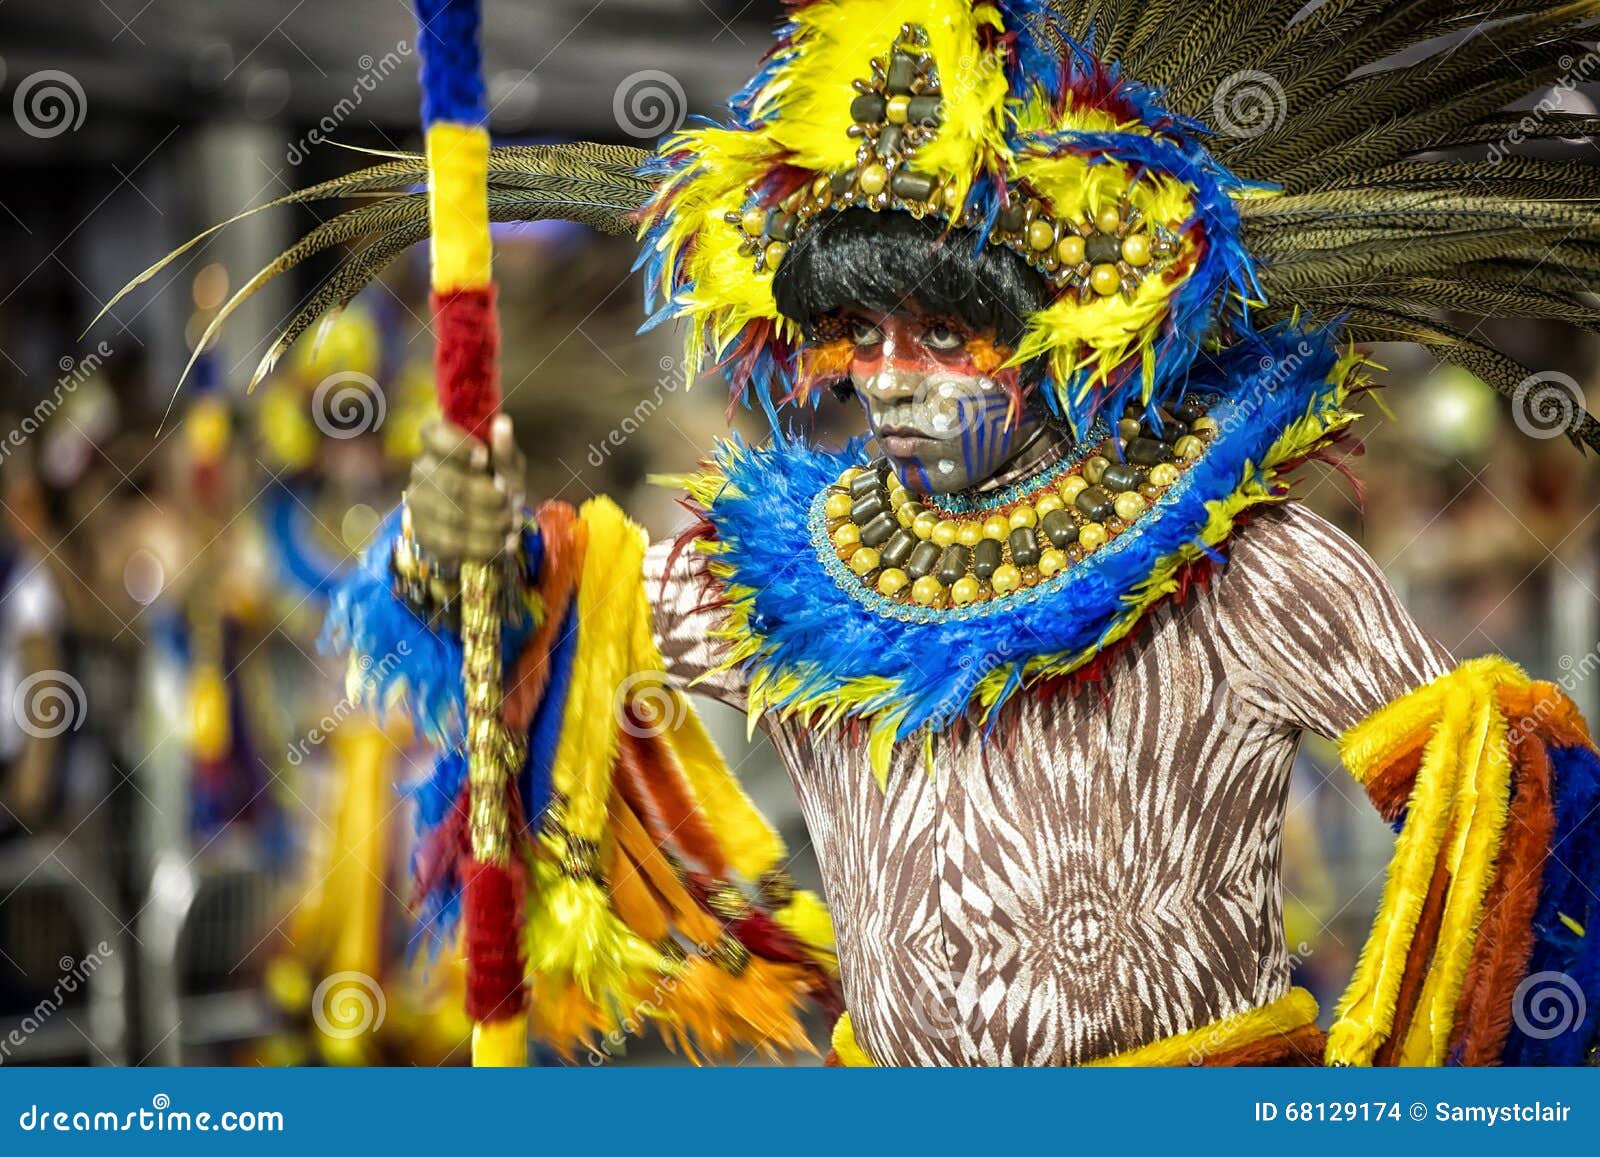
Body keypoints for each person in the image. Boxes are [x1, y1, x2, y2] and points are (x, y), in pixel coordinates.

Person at [118, 0, 1600, 1066]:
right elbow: (549, 640)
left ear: (1067, 328)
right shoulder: (787, 569)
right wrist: (463, 553)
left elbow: (1513, 806)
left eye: (944, 330)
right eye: (859, 330)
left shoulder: (1249, 559)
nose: (890, 374)